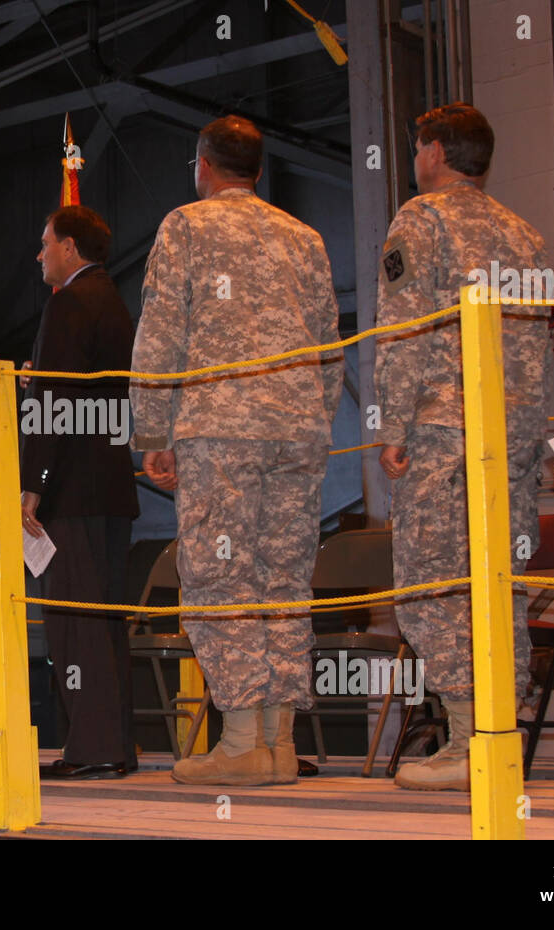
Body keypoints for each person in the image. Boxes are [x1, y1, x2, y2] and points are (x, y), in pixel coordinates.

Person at [131, 115, 342, 786]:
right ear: (257, 169)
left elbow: (161, 333)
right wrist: (314, 415)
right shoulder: (304, 237)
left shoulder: (186, 226)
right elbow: (329, 343)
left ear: (203, 164)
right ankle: (276, 743)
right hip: (297, 428)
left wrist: (152, 431)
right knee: (284, 578)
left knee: (222, 578)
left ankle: (244, 740)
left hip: (220, 427)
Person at [374, 103, 550, 790]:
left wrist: (392, 428)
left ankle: (470, 734)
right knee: (497, 584)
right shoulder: (524, 234)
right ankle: (497, 733)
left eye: (418, 147)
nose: (415, 159)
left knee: (433, 586)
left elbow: (401, 331)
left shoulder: (422, 219)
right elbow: (534, 346)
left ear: (436, 152)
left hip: (443, 435)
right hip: (514, 437)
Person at [21, 205, 140, 780]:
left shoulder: (68, 303)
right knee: (105, 620)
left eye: (45, 244)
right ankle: (112, 743)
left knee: (75, 622)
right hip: (111, 487)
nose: (39, 254)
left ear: (69, 247)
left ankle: (92, 749)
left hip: (72, 489)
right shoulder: (113, 302)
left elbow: (56, 401)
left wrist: (33, 484)